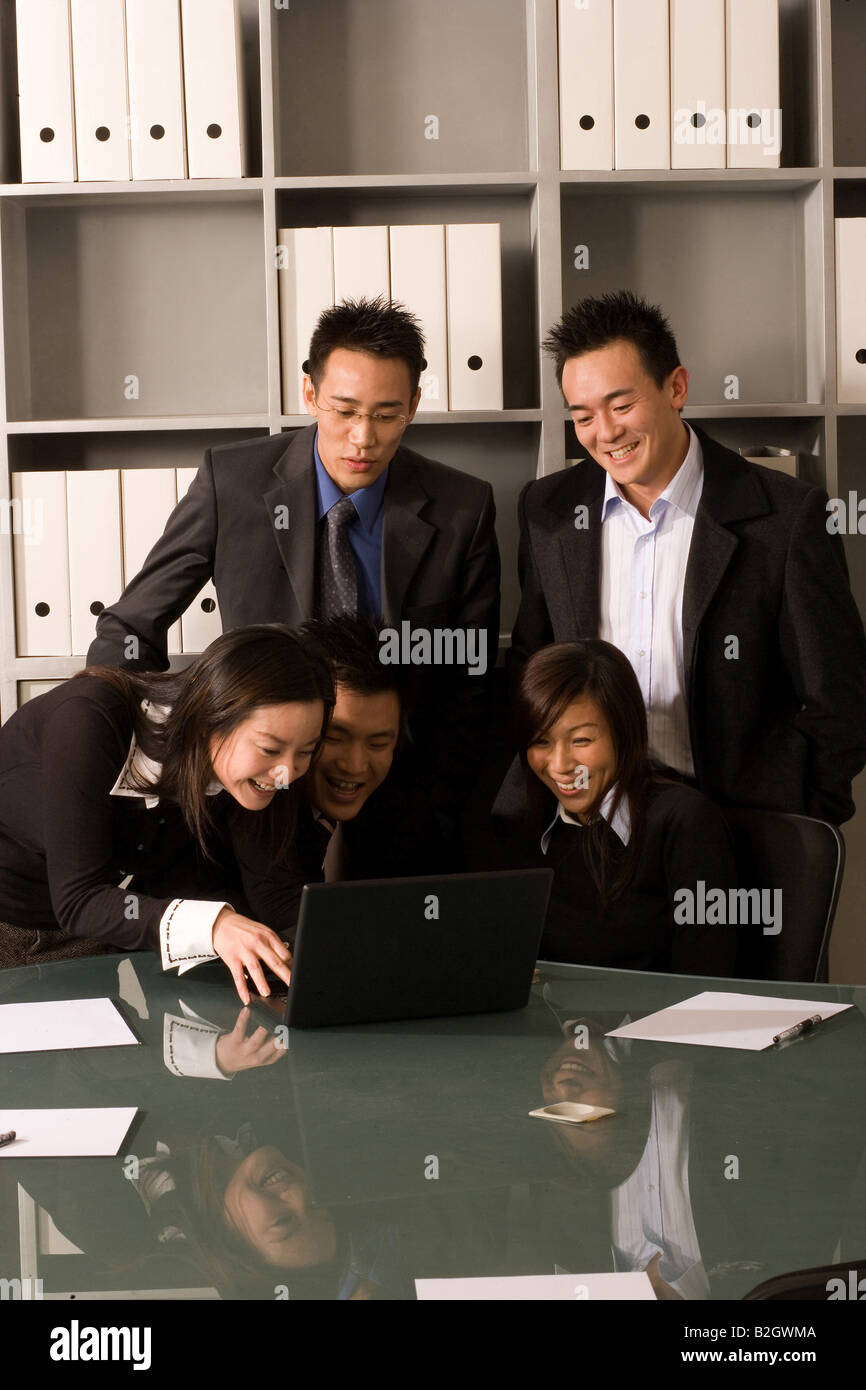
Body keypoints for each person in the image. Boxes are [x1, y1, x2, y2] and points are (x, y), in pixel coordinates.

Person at [87, 296, 501, 824]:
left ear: (414, 405)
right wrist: (151, 753)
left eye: (386, 415)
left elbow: (473, 670)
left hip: (399, 782)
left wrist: (441, 797)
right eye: (345, 411)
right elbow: (129, 627)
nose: (363, 438)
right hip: (258, 784)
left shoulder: (463, 507)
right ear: (310, 392)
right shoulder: (232, 483)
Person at [510, 290, 866, 823]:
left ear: (676, 387)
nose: (605, 434)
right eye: (583, 417)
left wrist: (805, 815)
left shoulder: (787, 517)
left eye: (622, 405)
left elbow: (840, 695)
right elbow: (533, 665)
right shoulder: (548, 510)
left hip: (741, 822)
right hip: (593, 821)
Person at [0, 625, 334, 1002]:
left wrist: (350, 948)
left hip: (97, 936)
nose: (287, 773)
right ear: (212, 717)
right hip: (11, 928)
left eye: (306, 751)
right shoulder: (90, 719)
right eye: (270, 750)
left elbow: (274, 894)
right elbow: (79, 899)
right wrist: (215, 925)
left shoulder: (255, 772)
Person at [496, 640, 738, 976]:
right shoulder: (525, 824)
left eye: (581, 740)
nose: (560, 765)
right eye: (541, 742)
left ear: (623, 732)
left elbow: (708, 976)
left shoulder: (683, 821)